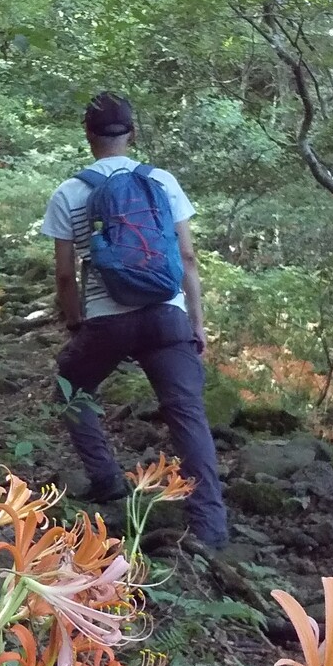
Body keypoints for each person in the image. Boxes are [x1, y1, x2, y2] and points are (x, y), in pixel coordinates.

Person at [39, 92, 228, 550]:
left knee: (71, 387)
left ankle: (107, 479)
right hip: (167, 316)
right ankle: (210, 528)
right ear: (133, 133)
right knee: (187, 413)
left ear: (88, 135)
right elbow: (187, 257)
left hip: (107, 321)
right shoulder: (161, 181)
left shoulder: (70, 192)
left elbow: (64, 274)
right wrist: (196, 323)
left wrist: (76, 323)